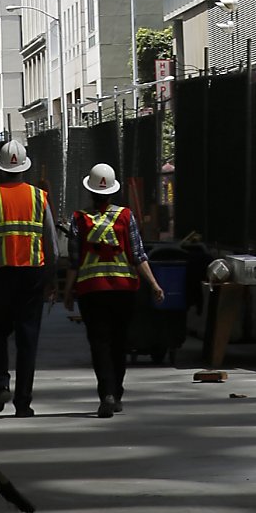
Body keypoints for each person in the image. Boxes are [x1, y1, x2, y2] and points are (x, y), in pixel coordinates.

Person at [63, 162, 164, 417]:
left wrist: (67, 291)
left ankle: (106, 394)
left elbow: (74, 261)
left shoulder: (79, 219)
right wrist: (154, 284)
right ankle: (116, 393)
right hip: (123, 291)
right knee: (119, 342)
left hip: (91, 291)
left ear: (90, 191)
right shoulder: (126, 217)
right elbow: (138, 255)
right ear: (112, 191)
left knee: (99, 343)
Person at [0, 138, 58, 416]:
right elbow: (52, 244)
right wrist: (51, 278)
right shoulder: (39, 197)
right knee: (27, 337)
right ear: (24, 167)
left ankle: (0, 385)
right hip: (32, 274)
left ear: (0, 168)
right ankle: (23, 402)